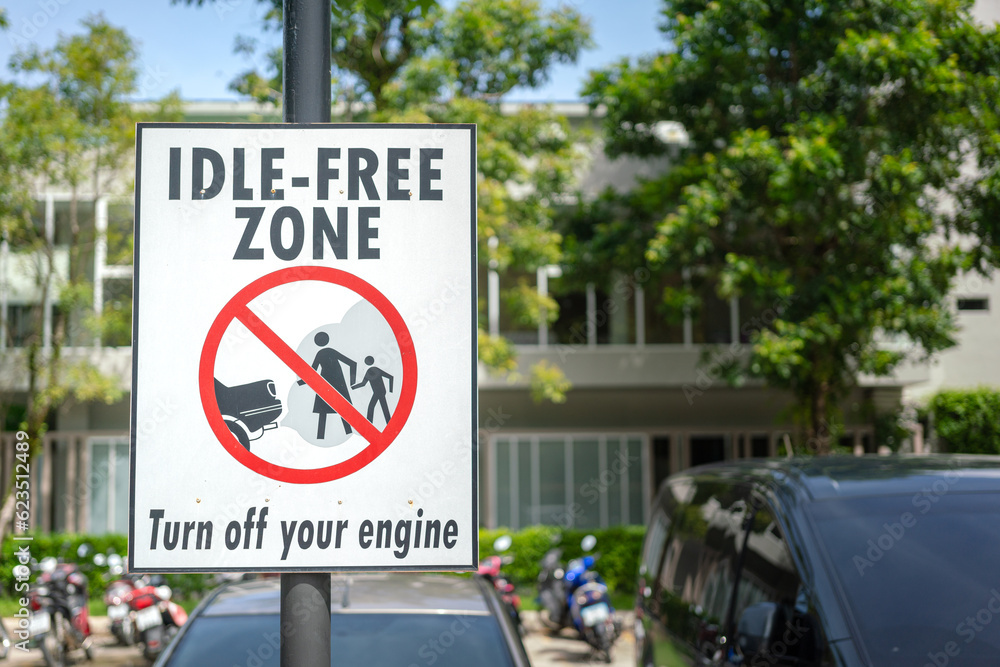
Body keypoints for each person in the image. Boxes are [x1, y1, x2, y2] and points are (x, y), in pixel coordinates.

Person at [297, 332, 357, 438]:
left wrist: (302, 382)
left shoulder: (321, 353)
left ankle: (321, 436)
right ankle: (347, 432)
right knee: (340, 410)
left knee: (324, 411)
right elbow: (352, 364)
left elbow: (312, 372)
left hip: (326, 384)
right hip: (337, 383)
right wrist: (352, 382)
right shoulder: (330, 352)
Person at [352, 356, 395, 425]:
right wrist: (353, 387)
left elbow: (363, 383)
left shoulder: (372, 371)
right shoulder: (374, 370)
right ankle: (388, 423)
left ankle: (369, 424)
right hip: (380, 392)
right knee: (383, 408)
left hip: (378, 392)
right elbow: (390, 377)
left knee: (372, 407)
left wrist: (391, 390)